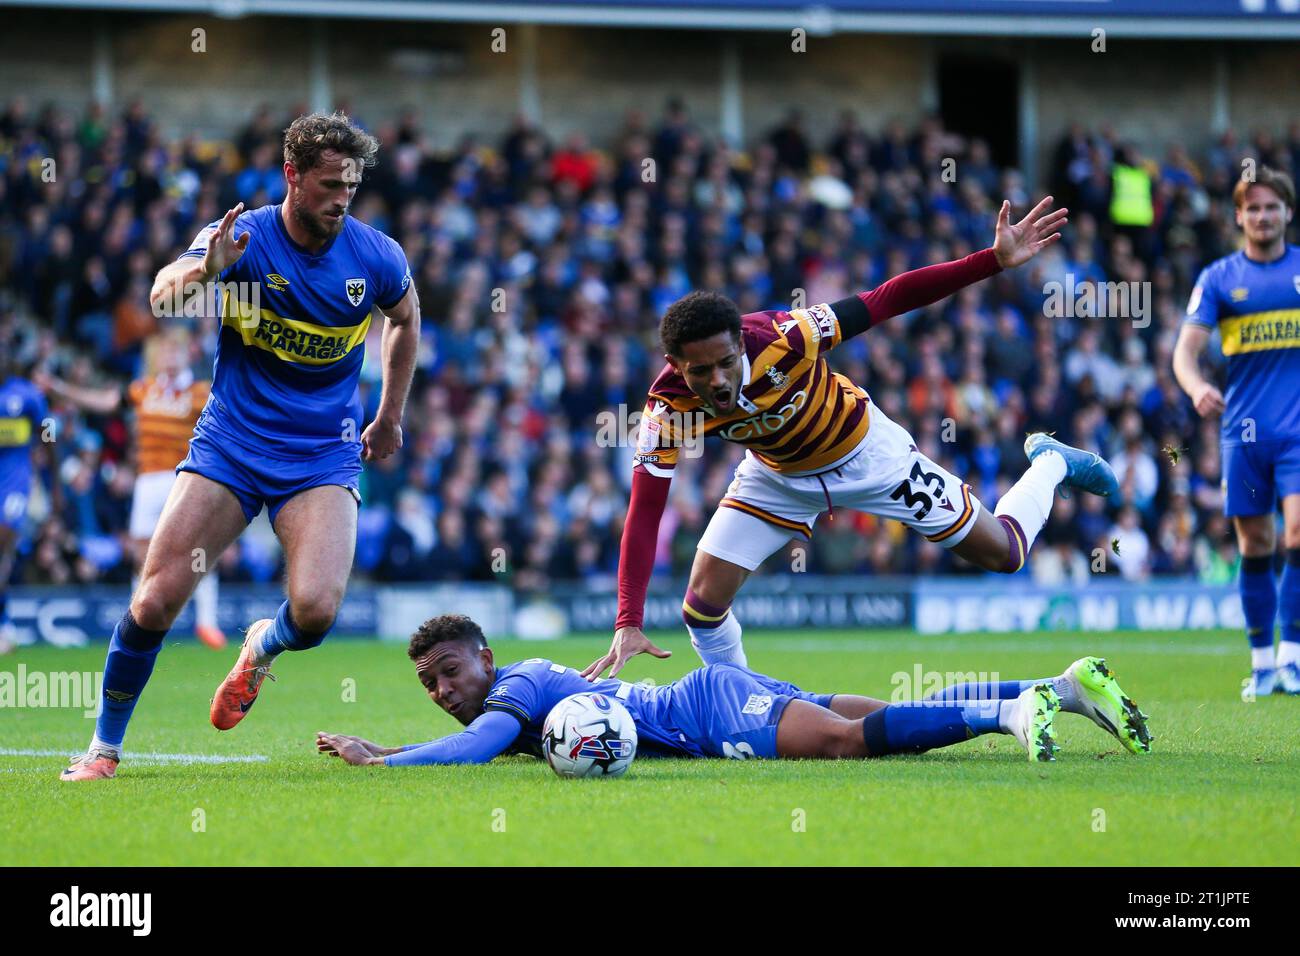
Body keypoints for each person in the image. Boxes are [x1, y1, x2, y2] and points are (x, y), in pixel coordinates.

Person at [583, 197, 1119, 681]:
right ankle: (745, 705)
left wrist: (991, 260)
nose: (718, 381)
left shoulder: (789, 336)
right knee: (700, 606)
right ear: (675, 364)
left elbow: (887, 298)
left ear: (740, 345)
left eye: (727, 363)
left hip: (869, 456)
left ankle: (1049, 462)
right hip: (777, 477)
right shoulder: (666, 410)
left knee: (1004, 554)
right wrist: (628, 620)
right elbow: (645, 511)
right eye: (701, 372)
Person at [62, 111, 421, 781]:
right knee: (153, 602)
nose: (343, 198)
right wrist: (208, 270)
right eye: (329, 185)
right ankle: (103, 749)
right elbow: (162, 295)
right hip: (231, 445)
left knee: (315, 611)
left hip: (322, 453)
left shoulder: (374, 255)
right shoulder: (244, 238)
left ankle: (262, 646)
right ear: (292, 176)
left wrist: (390, 414)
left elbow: (406, 316)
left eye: (352, 185)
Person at [316, 614, 1152, 768]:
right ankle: (1063, 688)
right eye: (428, 684)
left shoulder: (523, 686)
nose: (440, 691)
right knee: (856, 712)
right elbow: (469, 744)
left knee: (842, 743)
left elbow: (481, 745)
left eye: (449, 674)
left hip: (704, 714)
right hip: (708, 696)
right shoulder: (520, 686)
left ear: (486, 660)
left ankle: (1006, 712)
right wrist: (387, 746)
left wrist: (385, 765)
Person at [1174, 166, 1300, 698]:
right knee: (1255, 543)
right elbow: (1185, 351)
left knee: (1297, 534)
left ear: (1287, 213)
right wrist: (1196, 386)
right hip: (1244, 434)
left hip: (1296, 433)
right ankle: (1263, 665)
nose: (1263, 216)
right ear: (1239, 217)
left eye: (1272, 207)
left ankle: (1292, 658)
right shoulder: (1219, 278)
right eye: (1254, 208)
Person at [36, 327, 227, 649]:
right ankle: (135, 621)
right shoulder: (143, 389)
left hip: (184, 478)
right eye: (164, 351)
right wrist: (60, 388)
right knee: (142, 555)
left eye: (175, 351)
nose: (169, 357)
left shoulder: (200, 392)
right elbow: (105, 400)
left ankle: (207, 622)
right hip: (147, 481)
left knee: (199, 551)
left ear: (186, 355)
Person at [0, 347, 50, 654]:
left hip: (14, 486)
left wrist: (53, 484)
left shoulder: (27, 395)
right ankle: (5, 624)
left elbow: (49, 432)